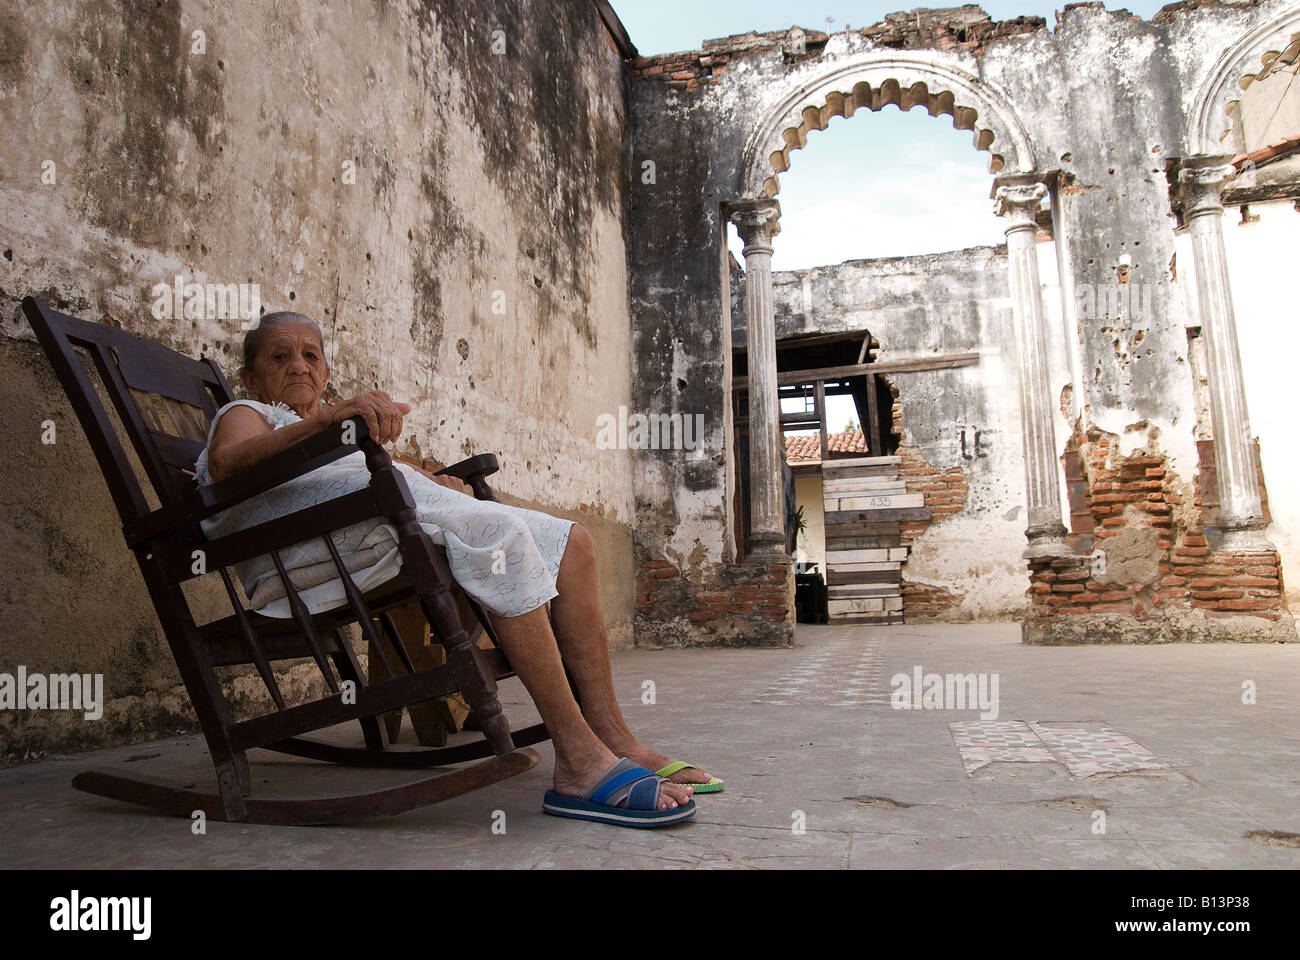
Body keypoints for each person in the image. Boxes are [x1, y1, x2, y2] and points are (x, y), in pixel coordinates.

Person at [194, 311, 721, 826]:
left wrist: (428, 483)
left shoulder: (326, 428)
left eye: (311, 355)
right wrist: (330, 424)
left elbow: (359, 473)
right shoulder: (248, 412)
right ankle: (579, 761)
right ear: (250, 376)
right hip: (317, 556)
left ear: (327, 370)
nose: (299, 366)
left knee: (573, 543)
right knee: (501, 538)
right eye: (279, 356)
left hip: (374, 531)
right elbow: (226, 463)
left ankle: (615, 736)